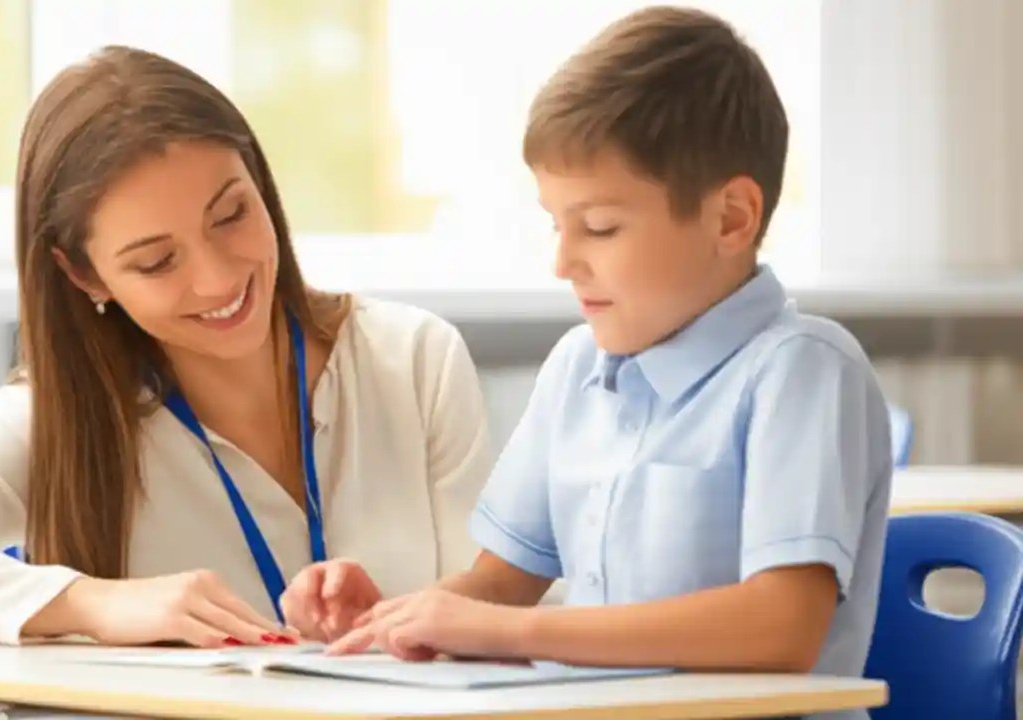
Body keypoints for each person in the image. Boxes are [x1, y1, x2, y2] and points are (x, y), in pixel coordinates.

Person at [0, 46, 492, 649]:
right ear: (83, 274)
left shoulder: (413, 360)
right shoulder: (60, 416)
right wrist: (89, 603)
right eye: (156, 262)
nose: (217, 277)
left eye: (231, 214)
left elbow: (497, 617)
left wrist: (403, 627)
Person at [287, 7, 893, 704]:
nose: (563, 261)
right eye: (556, 224)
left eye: (600, 227)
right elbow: (499, 588)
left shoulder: (803, 370)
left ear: (731, 218)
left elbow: (781, 628)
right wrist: (390, 620)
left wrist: (517, 634)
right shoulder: (576, 367)